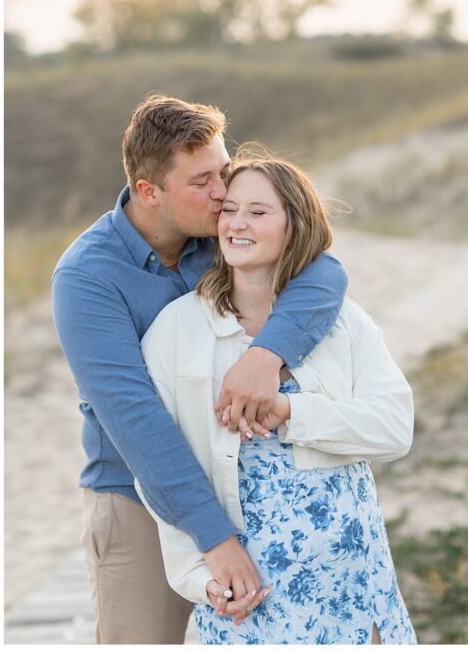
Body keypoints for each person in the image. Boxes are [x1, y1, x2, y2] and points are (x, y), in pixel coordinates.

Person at [52, 94, 349, 642]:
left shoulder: (223, 233)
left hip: (252, 483)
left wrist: (266, 355)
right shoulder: (86, 278)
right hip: (139, 498)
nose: (223, 193)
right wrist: (213, 538)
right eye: (202, 181)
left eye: (224, 171)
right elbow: (136, 421)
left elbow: (324, 272)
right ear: (149, 192)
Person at [139, 145, 416, 644]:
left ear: (295, 225)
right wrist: (200, 580)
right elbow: (162, 469)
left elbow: (395, 428)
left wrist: (291, 411)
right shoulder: (175, 332)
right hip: (247, 591)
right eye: (228, 210)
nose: (236, 224)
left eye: (258, 212)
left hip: (351, 585)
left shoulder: (342, 323)